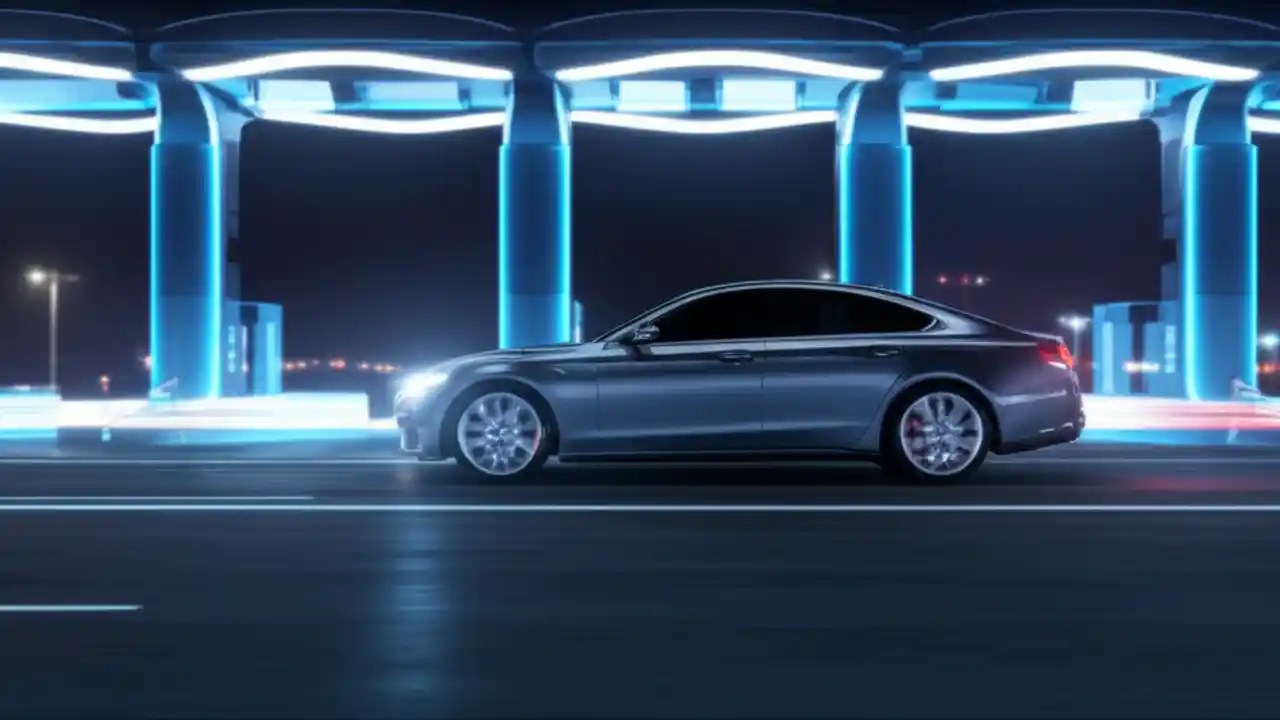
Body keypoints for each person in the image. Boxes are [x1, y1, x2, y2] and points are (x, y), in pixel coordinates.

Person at [1227, 375, 1264, 444]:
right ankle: (1231, 439)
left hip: (1236, 405)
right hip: (1236, 406)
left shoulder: (1235, 385)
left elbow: (1245, 391)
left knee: (1235, 423)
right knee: (1234, 423)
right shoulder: (1236, 382)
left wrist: (1255, 392)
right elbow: (1245, 387)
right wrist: (1256, 391)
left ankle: (1232, 438)